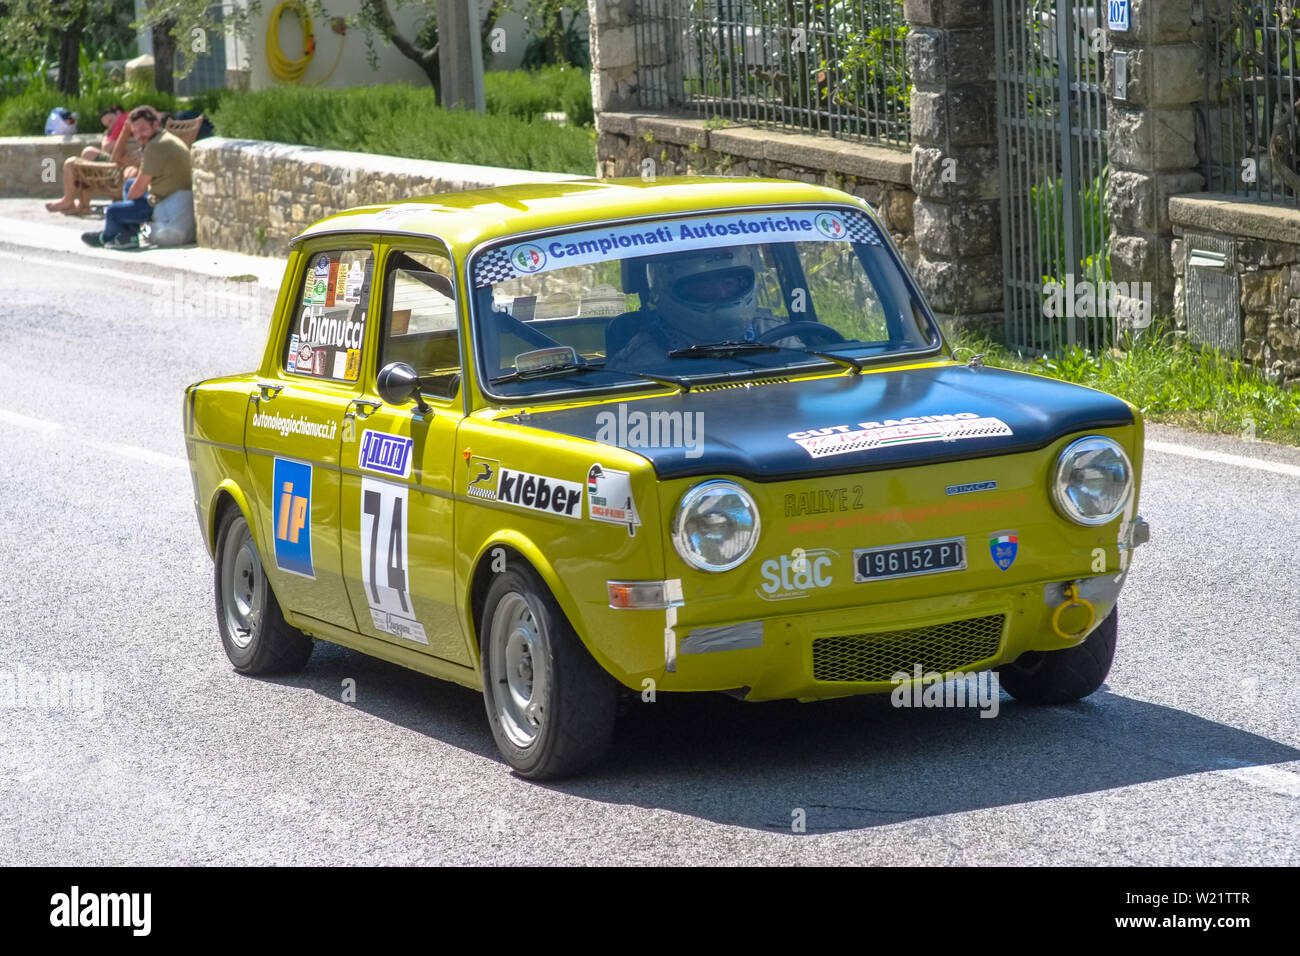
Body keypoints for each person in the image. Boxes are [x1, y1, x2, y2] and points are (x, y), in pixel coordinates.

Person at [606, 246, 793, 367]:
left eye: (729, 283)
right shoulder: (642, 359)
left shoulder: (777, 334)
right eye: (706, 287)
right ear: (668, 289)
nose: (721, 294)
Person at [82, 107, 193, 249]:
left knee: (113, 211)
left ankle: (107, 237)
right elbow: (128, 174)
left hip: (166, 206)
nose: (139, 135)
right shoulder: (164, 138)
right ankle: (128, 235)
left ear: (155, 125)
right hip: (171, 198)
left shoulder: (155, 146)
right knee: (129, 184)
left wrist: (126, 213)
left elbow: (137, 191)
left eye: (143, 129)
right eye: (135, 131)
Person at [45, 105, 139, 214]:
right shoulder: (132, 119)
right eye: (107, 124)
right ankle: (81, 205)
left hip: (120, 167)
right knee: (86, 155)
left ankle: (74, 202)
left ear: (118, 112)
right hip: (125, 166)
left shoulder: (123, 120)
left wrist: (108, 133)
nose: (110, 125)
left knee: (81, 157)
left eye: (110, 121)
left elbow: (107, 147)